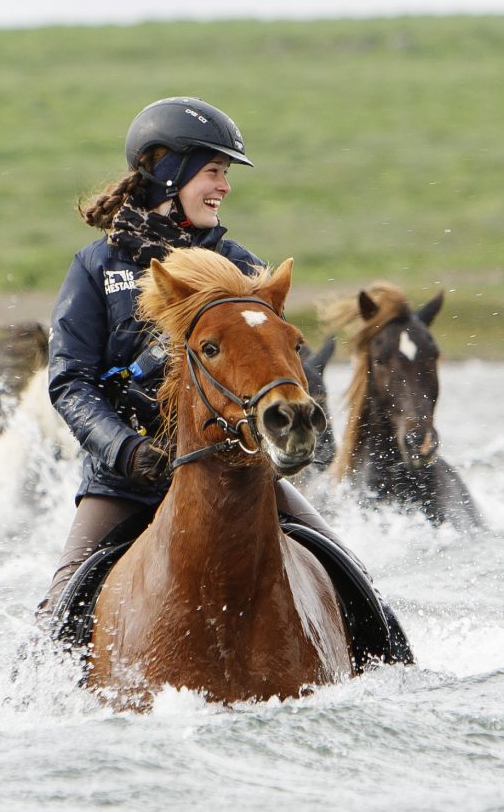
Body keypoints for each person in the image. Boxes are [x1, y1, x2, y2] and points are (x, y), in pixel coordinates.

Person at [38, 96, 345, 633]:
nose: (224, 187)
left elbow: (269, 365)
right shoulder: (95, 266)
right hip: (124, 483)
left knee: (348, 572)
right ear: (167, 173)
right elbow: (70, 381)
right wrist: (127, 451)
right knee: (56, 612)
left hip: (232, 470)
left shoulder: (242, 266)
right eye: (213, 172)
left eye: (225, 174)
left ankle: (393, 682)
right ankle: (34, 701)